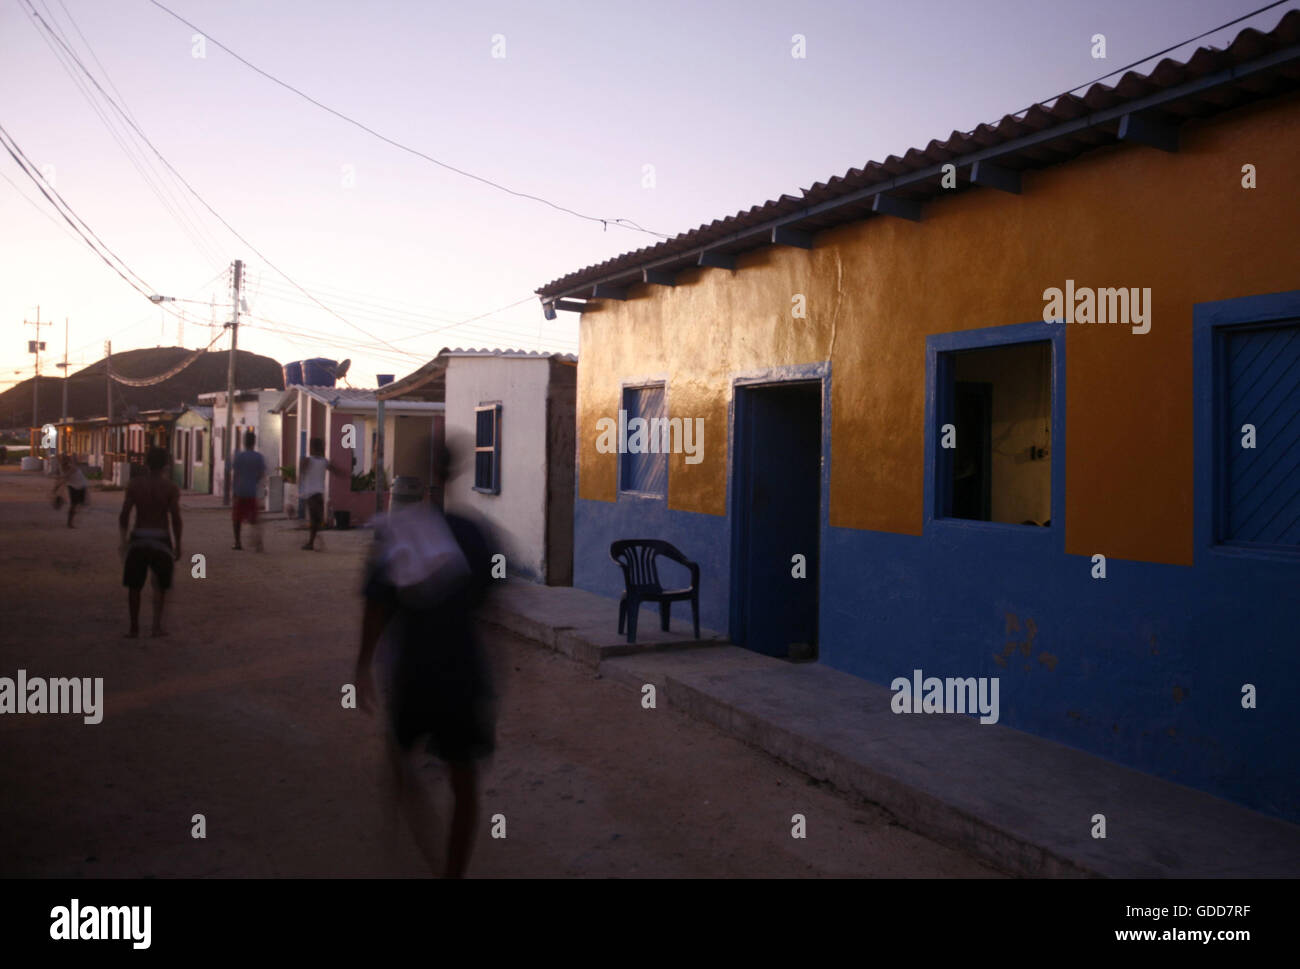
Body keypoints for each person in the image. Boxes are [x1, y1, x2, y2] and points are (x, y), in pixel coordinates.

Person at [355, 445, 496, 878]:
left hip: (414, 670)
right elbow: (489, 601)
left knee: (398, 762)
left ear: (423, 474)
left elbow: (377, 607)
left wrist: (362, 665)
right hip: (461, 669)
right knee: (464, 779)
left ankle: (407, 852)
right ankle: (451, 872)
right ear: (457, 472)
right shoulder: (474, 534)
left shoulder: (398, 532)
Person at [119, 446, 182, 639]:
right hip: (161, 538)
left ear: (146, 463)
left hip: (139, 537)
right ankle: (156, 627)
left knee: (134, 586)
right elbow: (176, 518)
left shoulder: (135, 485)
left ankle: (134, 627)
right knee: (160, 586)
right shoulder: (170, 488)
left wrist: (124, 540)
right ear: (165, 465)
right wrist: (178, 543)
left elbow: (124, 515)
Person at [299, 437, 340, 551]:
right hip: (319, 494)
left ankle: (312, 543)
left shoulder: (308, 460)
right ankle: (313, 542)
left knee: (314, 519)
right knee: (316, 519)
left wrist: (301, 489)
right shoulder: (324, 461)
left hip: (310, 494)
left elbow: (301, 474)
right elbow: (336, 471)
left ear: (311, 447)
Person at [231, 430, 266, 551]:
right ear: (254, 442)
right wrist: (254, 482)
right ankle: (258, 542)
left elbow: (235, 474)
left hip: (240, 491)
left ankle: (237, 542)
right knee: (254, 519)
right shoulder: (259, 457)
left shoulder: (239, 456)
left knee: (237, 519)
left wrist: (234, 491)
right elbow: (261, 474)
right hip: (251, 491)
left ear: (244, 442)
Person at [52, 454, 89, 528]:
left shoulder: (72, 467)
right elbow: (61, 478)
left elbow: (65, 477)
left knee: (81, 504)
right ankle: (70, 523)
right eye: (62, 461)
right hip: (73, 486)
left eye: (64, 461)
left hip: (81, 485)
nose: (63, 462)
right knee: (74, 505)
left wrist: (56, 488)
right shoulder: (62, 468)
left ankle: (72, 518)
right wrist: (56, 489)